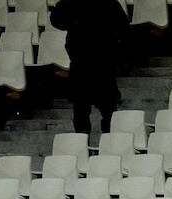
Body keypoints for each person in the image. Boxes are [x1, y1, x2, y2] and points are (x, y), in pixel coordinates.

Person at [49, 0, 129, 134]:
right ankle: (84, 143)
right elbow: (57, 20)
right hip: (83, 62)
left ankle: (108, 142)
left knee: (106, 108)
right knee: (83, 109)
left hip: (102, 62)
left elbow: (122, 27)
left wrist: (115, 51)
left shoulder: (107, 3)